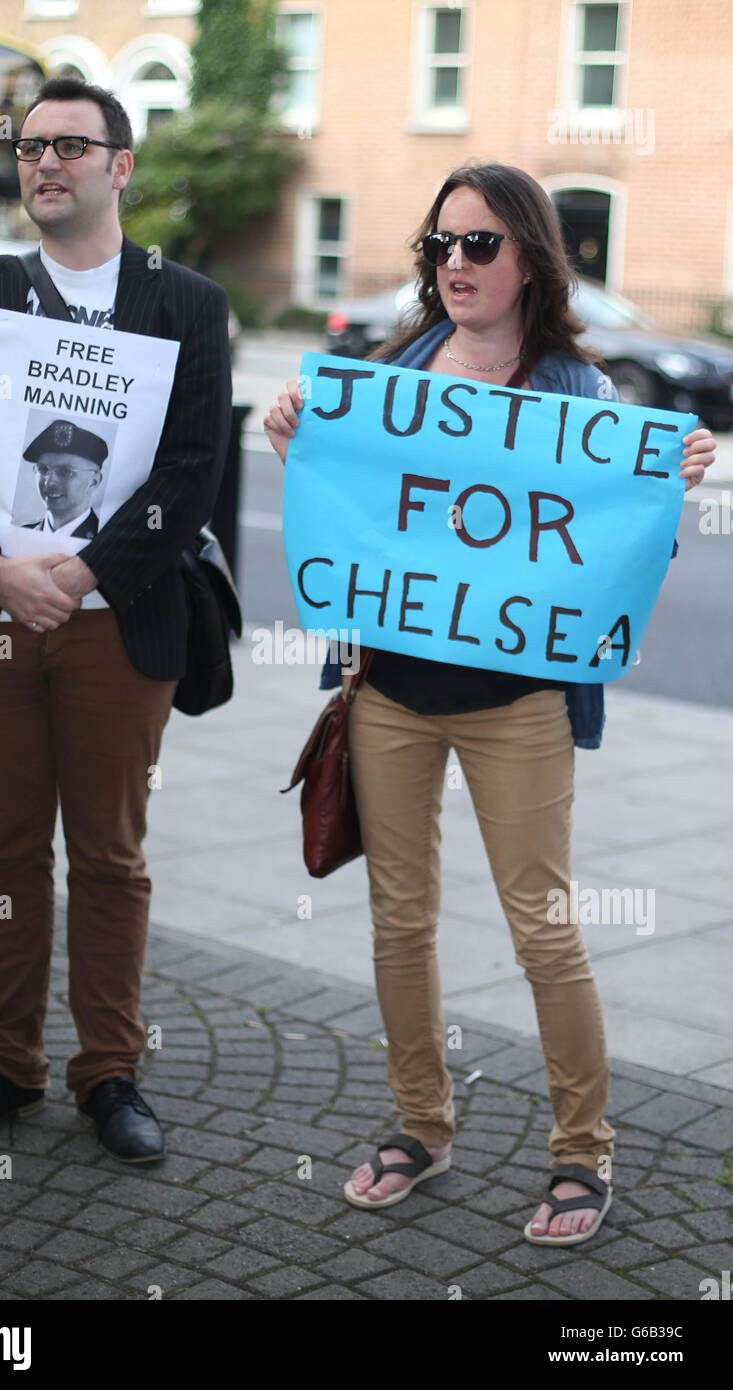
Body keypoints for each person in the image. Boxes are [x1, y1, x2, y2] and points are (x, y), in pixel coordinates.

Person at [264, 162, 715, 1244]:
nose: (453, 264)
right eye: (438, 245)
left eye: (478, 244)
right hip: (389, 696)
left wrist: (673, 480)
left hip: (516, 702)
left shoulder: (580, 395)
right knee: (398, 921)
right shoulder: (389, 374)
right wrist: (299, 443)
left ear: (529, 259)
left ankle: (581, 1154)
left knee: (544, 928)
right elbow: (351, 518)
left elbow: (613, 556)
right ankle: (422, 1124)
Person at [0, 77, 231, 1162]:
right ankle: (4, 1060)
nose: (46, 163)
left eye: (71, 147)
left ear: (119, 167)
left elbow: (190, 474)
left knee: (109, 854)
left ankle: (110, 1069)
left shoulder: (183, 301)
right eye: (30, 146)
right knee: (2, 847)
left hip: (116, 619)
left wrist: (83, 569)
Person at [20, 419, 107, 539]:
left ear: (94, 481)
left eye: (66, 472)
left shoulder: (106, 540)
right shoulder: (21, 533)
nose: (50, 482)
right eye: (43, 469)